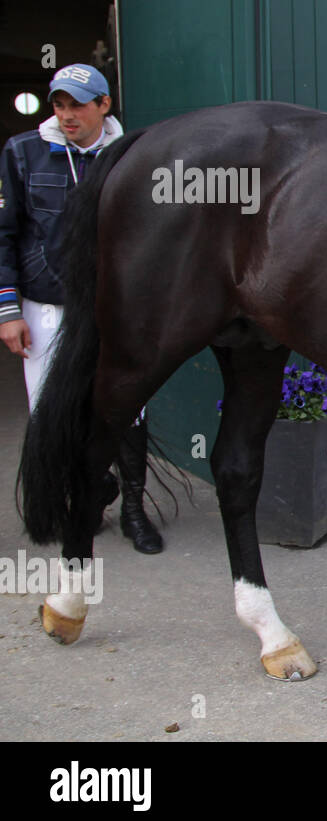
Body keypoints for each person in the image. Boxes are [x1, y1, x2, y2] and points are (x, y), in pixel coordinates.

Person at [1, 63, 163, 553]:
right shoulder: (23, 152)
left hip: (115, 308)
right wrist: (8, 310)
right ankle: (91, 494)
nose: (67, 115)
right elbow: (5, 233)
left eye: (78, 104)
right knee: (52, 411)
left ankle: (134, 507)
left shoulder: (133, 154)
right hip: (46, 305)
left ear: (103, 105)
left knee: (130, 409)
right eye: (59, 104)